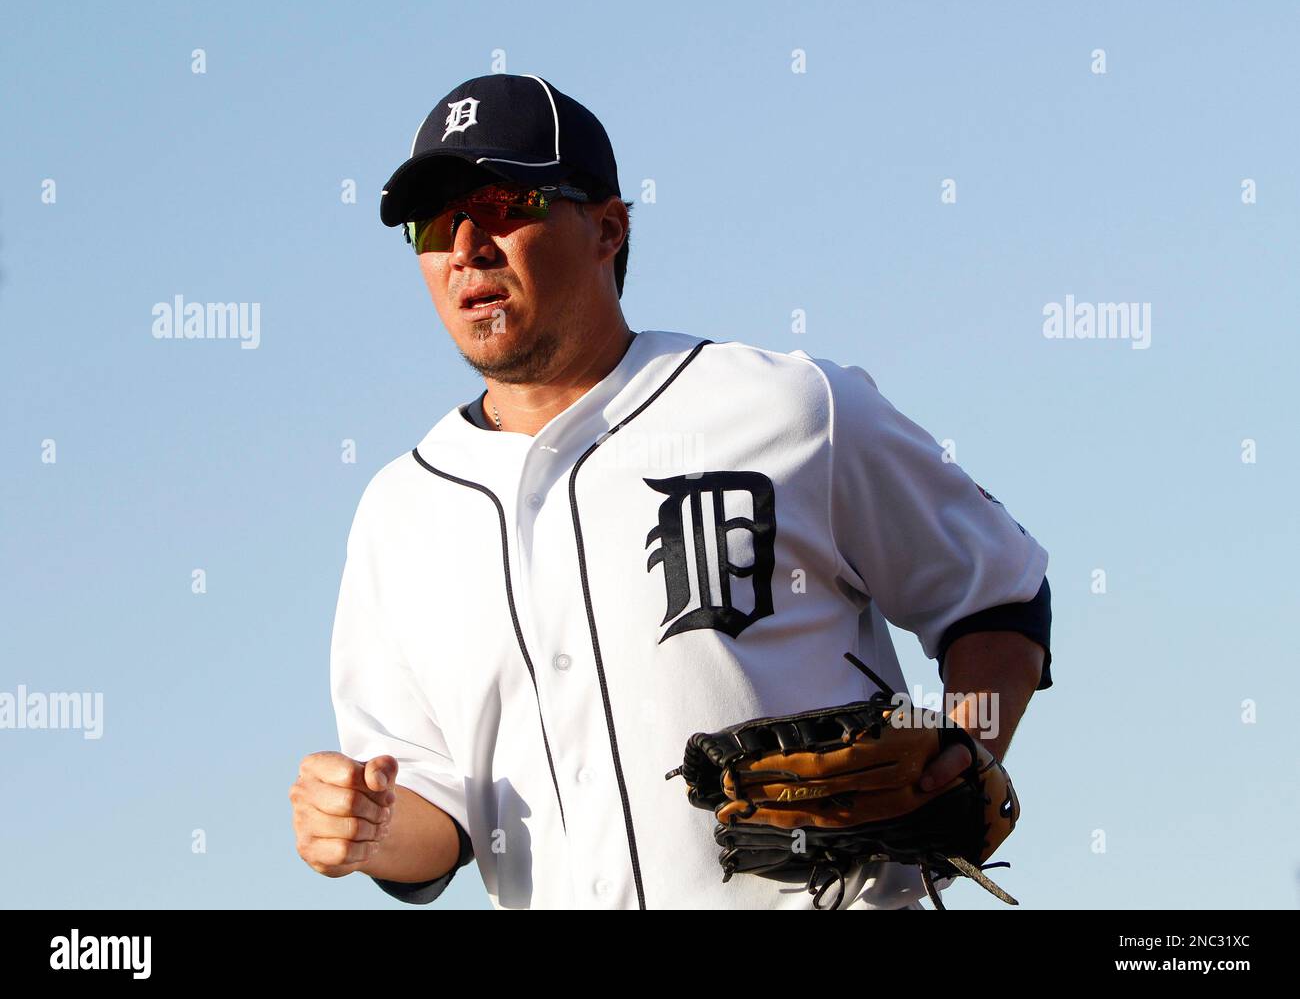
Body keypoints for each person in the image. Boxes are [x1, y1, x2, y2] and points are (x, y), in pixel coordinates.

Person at [288, 73, 1052, 909]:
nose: (467, 244)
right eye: (435, 221)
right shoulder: (401, 514)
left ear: (608, 227)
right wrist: (370, 826)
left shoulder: (786, 408)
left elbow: (997, 594)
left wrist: (967, 742)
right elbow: (440, 820)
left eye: (506, 202)